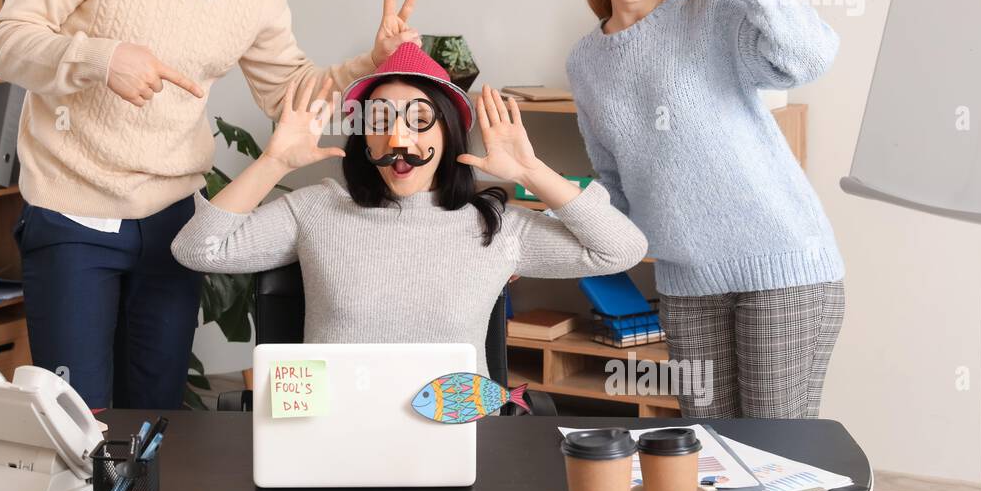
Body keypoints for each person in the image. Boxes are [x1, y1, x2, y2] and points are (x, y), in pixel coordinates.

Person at [0, 0, 419, 409]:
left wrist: (370, 65)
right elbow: (7, 42)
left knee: (157, 416)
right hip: (75, 211)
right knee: (75, 422)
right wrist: (99, 58)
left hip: (174, 219)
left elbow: (288, 92)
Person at [170, 42, 648, 375]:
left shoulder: (497, 226)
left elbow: (620, 250)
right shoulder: (318, 208)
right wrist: (272, 162)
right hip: (338, 433)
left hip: (458, 436)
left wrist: (530, 171)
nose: (399, 141)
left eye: (420, 121)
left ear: (448, 134)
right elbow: (198, 250)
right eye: (380, 121)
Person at [556, 0, 845, 419]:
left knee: (775, 460)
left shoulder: (715, 13)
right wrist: (536, 241)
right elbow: (613, 184)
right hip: (686, 284)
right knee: (709, 457)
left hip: (782, 269)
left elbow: (811, 57)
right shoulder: (585, 61)